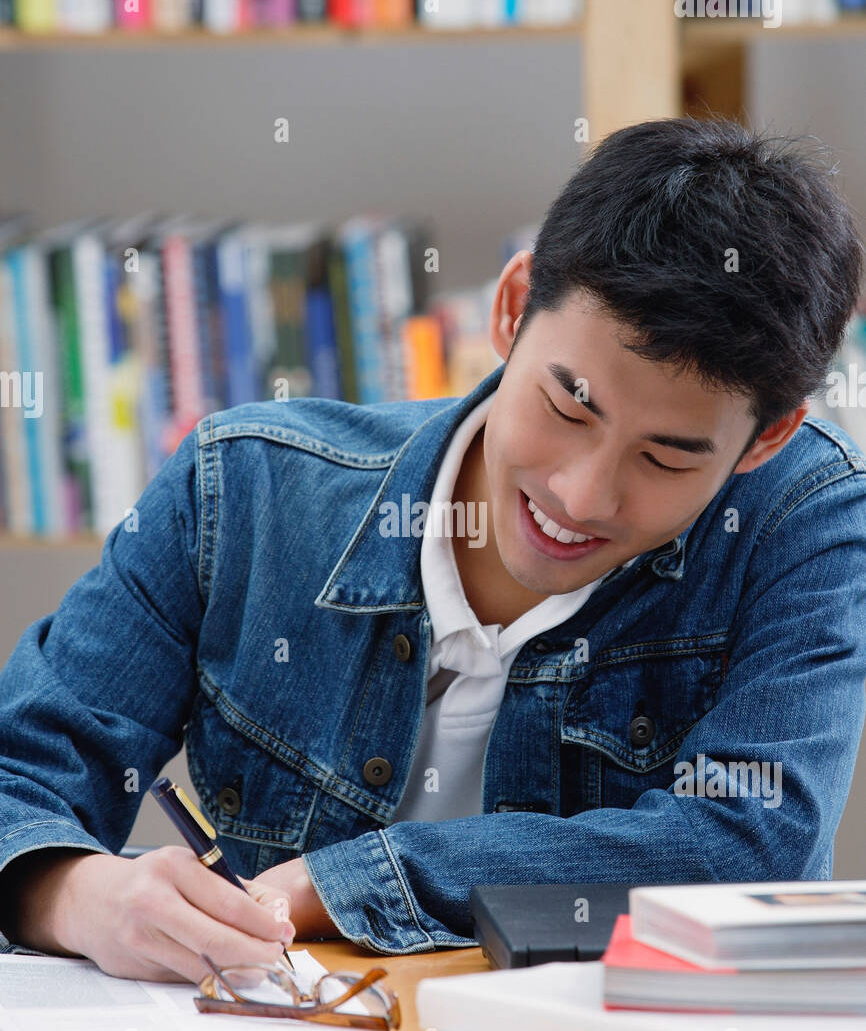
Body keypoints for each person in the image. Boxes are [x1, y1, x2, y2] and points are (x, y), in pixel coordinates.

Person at [1, 115, 865, 981]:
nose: (582, 495)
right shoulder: (245, 490)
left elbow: (753, 846)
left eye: (667, 455)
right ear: (514, 307)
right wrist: (83, 897)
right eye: (569, 409)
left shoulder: (804, 519)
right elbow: (20, 773)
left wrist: (343, 883)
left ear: (767, 438)